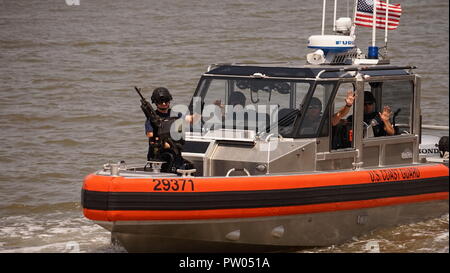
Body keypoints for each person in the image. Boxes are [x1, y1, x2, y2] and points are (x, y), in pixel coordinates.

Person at [145, 87, 194, 172]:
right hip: (159, 155)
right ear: (155, 103)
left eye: (166, 101)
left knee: (188, 166)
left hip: (175, 152)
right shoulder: (152, 119)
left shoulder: (175, 114)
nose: (164, 104)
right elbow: (150, 134)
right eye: (161, 102)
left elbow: (190, 119)